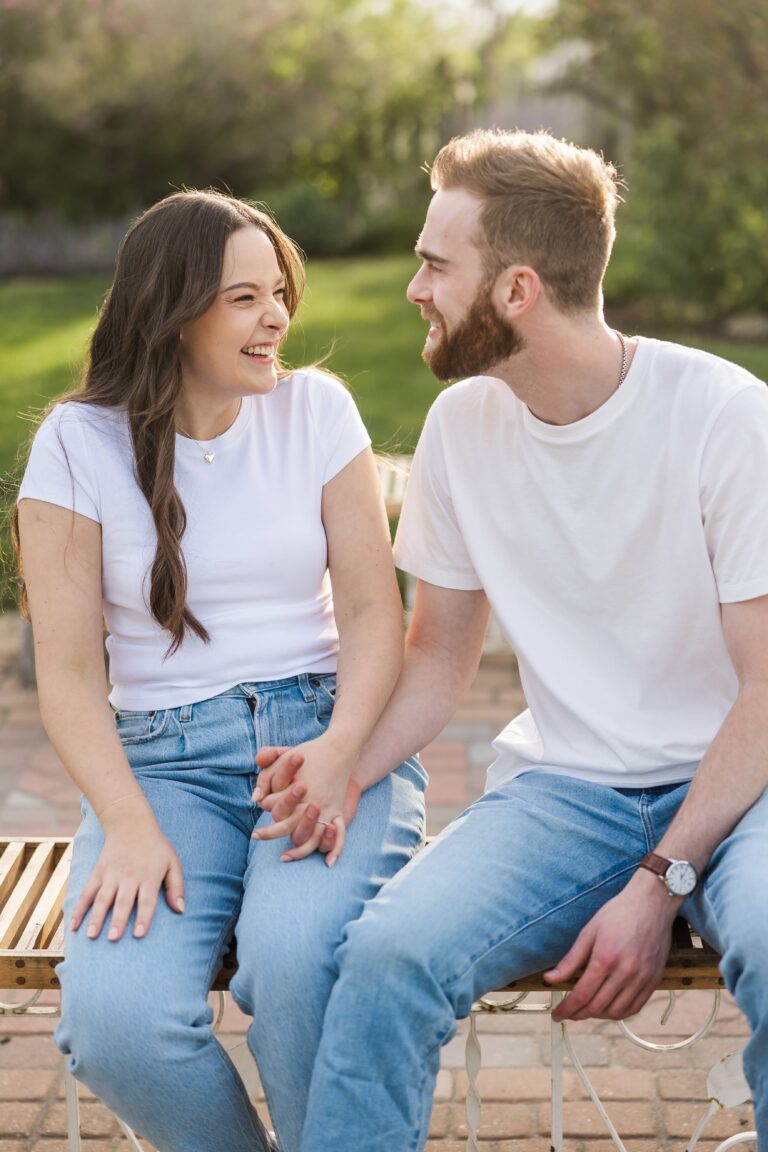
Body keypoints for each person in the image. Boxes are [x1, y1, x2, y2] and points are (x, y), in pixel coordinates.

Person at [255, 129, 768, 1150]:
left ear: (518, 289)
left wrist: (659, 881)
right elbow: (438, 656)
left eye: (436, 266)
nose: (414, 288)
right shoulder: (462, 428)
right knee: (390, 956)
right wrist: (344, 763)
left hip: (741, 786)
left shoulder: (727, 419)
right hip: (569, 792)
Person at [14, 189, 426, 1152]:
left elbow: (374, 613)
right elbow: (69, 674)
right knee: (115, 1022)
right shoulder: (76, 446)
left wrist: (342, 752)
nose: (277, 316)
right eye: (244, 298)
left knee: (297, 963)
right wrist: (124, 821)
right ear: (172, 308)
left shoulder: (317, 410)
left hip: (323, 737)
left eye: (279, 292)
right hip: (160, 767)